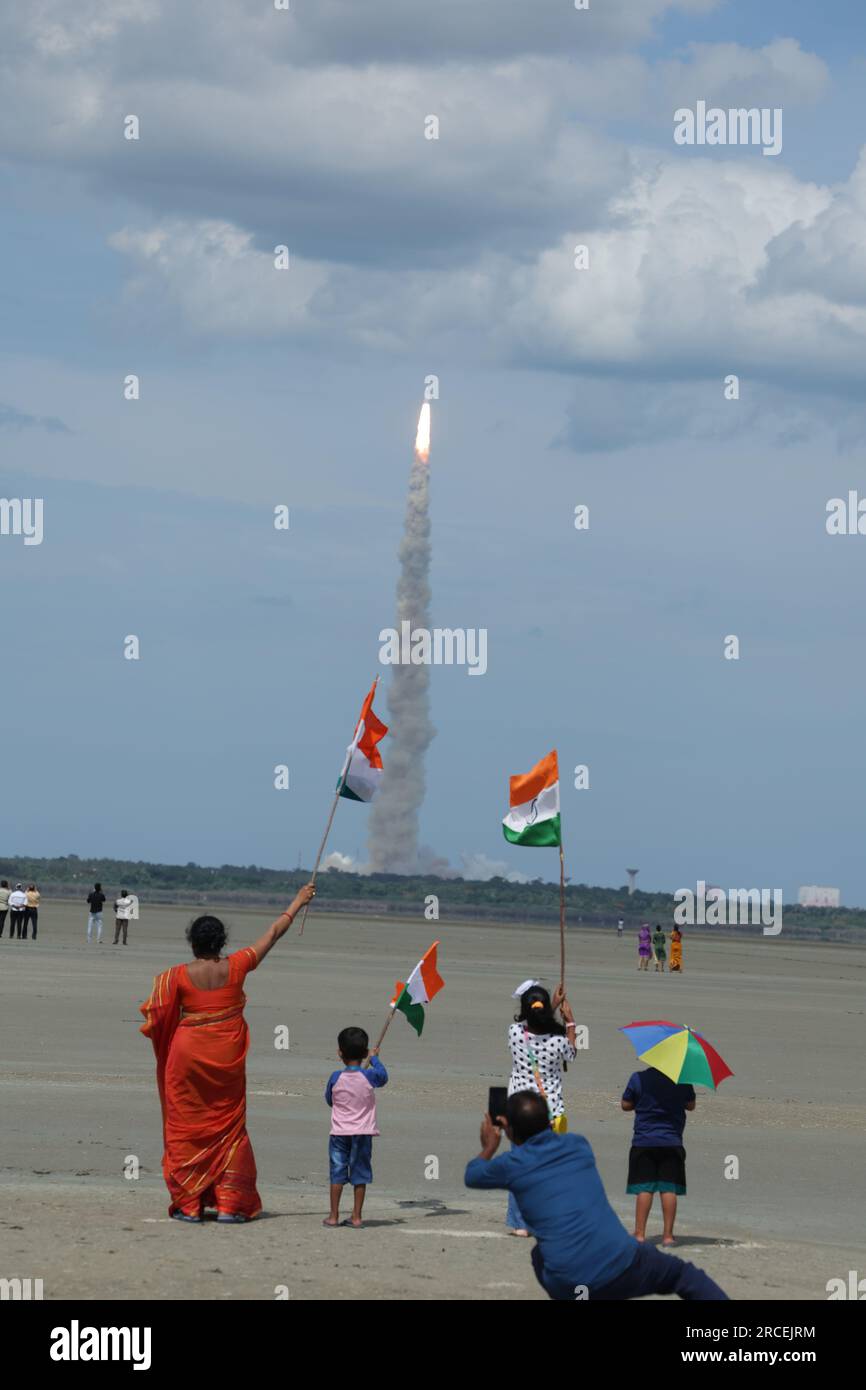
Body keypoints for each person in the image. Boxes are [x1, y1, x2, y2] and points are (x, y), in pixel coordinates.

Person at [140, 881, 315, 1222]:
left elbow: (156, 1015)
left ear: (193, 943)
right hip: (226, 1054)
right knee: (228, 1127)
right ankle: (230, 1204)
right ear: (221, 942)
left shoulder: (174, 976)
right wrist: (298, 900)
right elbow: (274, 933)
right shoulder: (237, 966)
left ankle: (190, 1204)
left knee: (185, 1123)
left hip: (187, 1054)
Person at [466, 1092, 727, 1300]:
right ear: (547, 1121)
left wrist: (489, 1147)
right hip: (624, 1265)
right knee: (683, 1275)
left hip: (570, 1282)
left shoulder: (511, 1164)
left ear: (509, 1130)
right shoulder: (578, 1145)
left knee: (540, 1255)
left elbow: (473, 1175)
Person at [505, 981, 577, 1236]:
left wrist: (551, 1006)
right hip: (548, 1112)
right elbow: (571, 1054)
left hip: (519, 1108)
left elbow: (531, 1021)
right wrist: (569, 1022)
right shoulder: (558, 1042)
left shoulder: (514, 1032)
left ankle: (520, 1224)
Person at [621, 1065, 696, 1245]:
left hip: (644, 1141)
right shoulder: (682, 1080)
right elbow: (691, 1105)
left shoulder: (638, 1078)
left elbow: (626, 1104)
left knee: (644, 1188)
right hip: (672, 1141)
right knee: (668, 1188)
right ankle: (668, 1236)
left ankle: (639, 1233)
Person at [324, 1026, 389, 1229]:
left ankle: (333, 1216)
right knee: (359, 1174)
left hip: (340, 1133)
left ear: (340, 1053)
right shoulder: (369, 1077)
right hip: (362, 1133)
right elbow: (383, 1076)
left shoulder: (336, 1077)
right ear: (364, 1053)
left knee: (337, 1173)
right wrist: (375, 1058)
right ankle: (356, 1216)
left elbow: (329, 1099)